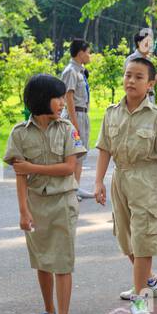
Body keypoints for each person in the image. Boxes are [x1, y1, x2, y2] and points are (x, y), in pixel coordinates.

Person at [93, 54, 157, 314]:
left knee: (143, 240)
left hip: (146, 180)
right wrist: (98, 181)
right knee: (126, 238)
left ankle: (142, 297)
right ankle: (148, 279)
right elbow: (105, 148)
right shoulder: (111, 112)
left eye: (139, 77)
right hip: (121, 178)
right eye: (128, 75)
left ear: (150, 84)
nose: (131, 81)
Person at [5, 74, 83, 314]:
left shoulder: (67, 129)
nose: (63, 103)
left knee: (61, 262)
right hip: (36, 204)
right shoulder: (19, 133)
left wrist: (31, 167)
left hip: (63, 201)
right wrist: (23, 212)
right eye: (58, 97)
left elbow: (68, 168)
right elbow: (19, 176)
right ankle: (49, 311)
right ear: (41, 100)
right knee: (42, 260)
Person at [61, 39, 94, 199]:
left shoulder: (80, 71)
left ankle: (76, 187)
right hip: (76, 115)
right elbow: (68, 96)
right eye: (88, 52)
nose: (90, 55)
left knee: (81, 151)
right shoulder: (70, 71)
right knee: (73, 151)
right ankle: (70, 188)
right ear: (80, 53)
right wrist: (74, 122)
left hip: (83, 114)